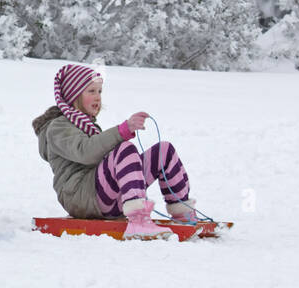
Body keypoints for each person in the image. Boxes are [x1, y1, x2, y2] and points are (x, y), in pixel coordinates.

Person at [31, 64, 199, 239]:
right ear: (74, 95)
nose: (98, 97)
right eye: (91, 91)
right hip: (82, 198)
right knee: (124, 149)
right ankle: (139, 220)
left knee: (164, 151)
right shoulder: (58, 127)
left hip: (106, 195)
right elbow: (86, 152)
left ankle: (182, 213)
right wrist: (122, 131)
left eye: (100, 92)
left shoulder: (88, 125)